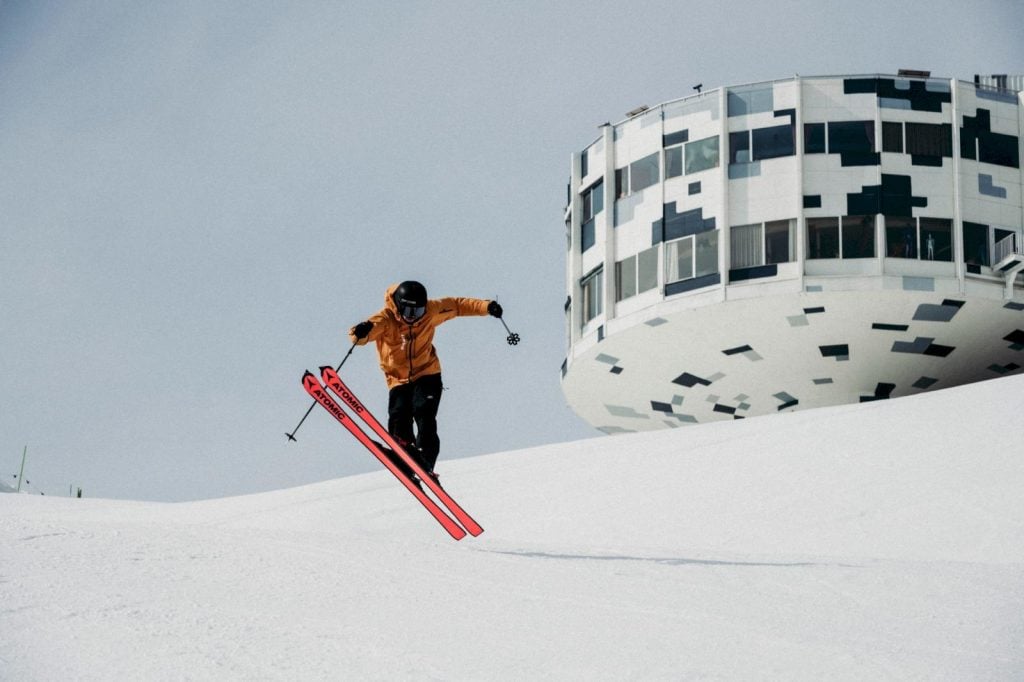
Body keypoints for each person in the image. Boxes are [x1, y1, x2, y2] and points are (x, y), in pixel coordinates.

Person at [348, 281, 503, 481]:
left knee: (424, 414)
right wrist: (360, 332)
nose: (413, 316)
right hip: (398, 379)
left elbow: (457, 305)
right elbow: (361, 336)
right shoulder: (386, 319)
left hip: (427, 373)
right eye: (409, 311)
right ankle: (404, 455)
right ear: (398, 305)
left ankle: (425, 461)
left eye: (419, 310)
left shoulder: (432, 311)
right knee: (398, 418)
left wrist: (487, 307)